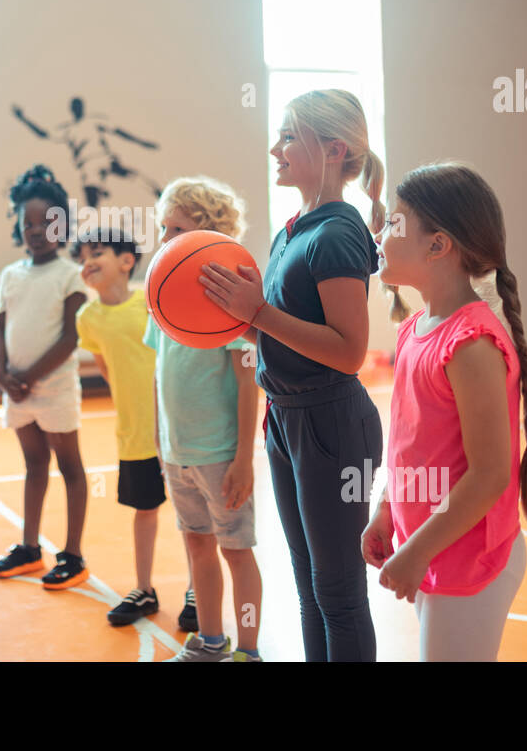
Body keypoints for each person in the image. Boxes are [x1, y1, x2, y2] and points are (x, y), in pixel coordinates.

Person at [201, 88, 386, 662]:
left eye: (288, 136)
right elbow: (285, 330)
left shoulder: (336, 232)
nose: (274, 147)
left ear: (332, 149)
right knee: (308, 587)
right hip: (286, 420)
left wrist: (257, 312)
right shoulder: (291, 230)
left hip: (331, 421)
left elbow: (351, 351)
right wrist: (236, 320)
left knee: (338, 592)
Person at [364, 161, 527, 661]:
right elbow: (405, 443)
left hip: (469, 559)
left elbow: (489, 475)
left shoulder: (471, 343)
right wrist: (386, 508)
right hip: (433, 546)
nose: (380, 232)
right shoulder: (413, 329)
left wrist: (418, 548)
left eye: (395, 224)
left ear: (437, 245)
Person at [146, 177, 263, 662]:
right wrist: (160, 442)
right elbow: (159, 378)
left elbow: (246, 383)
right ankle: (211, 641)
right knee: (197, 548)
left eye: (177, 228)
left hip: (219, 456)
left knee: (237, 551)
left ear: (208, 231)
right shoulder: (159, 298)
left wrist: (243, 459)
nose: (165, 239)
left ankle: (249, 650)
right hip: (178, 454)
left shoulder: (225, 301)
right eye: (162, 228)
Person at [73, 225, 188, 627]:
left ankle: (196, 589)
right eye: (83, 256)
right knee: (145, 510)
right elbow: (107, 370)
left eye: (97, 252)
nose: (88, 261)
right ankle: (144, 589)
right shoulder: (88, 318)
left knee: (192, 517)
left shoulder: (149, 303)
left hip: (177, 432)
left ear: (126, 261)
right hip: (134, 435)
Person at [0, 165, 91, 590]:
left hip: (53, 389)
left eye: (44, 222)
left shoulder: (70, 274)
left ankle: (72, 553)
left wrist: (30, 375)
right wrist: (2, 374)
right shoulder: (11, 275)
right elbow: (0, 329)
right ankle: (30, 547)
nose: (35, 230)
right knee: (33, 465)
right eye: (26, 222)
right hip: (18, 390)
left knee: (69, 466)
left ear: (61, 225)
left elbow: (71, 337)